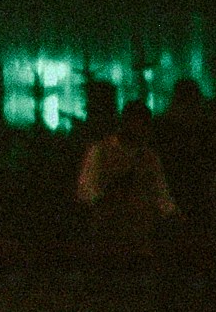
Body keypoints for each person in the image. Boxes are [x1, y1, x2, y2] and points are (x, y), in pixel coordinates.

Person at [75, 104, 176, 251]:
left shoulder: (148, 156)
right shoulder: (101, 151)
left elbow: (160, 192)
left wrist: (169, 213)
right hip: (109, 233)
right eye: (137, 123)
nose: (141, 129)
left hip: (139, 233)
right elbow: (87, 189)